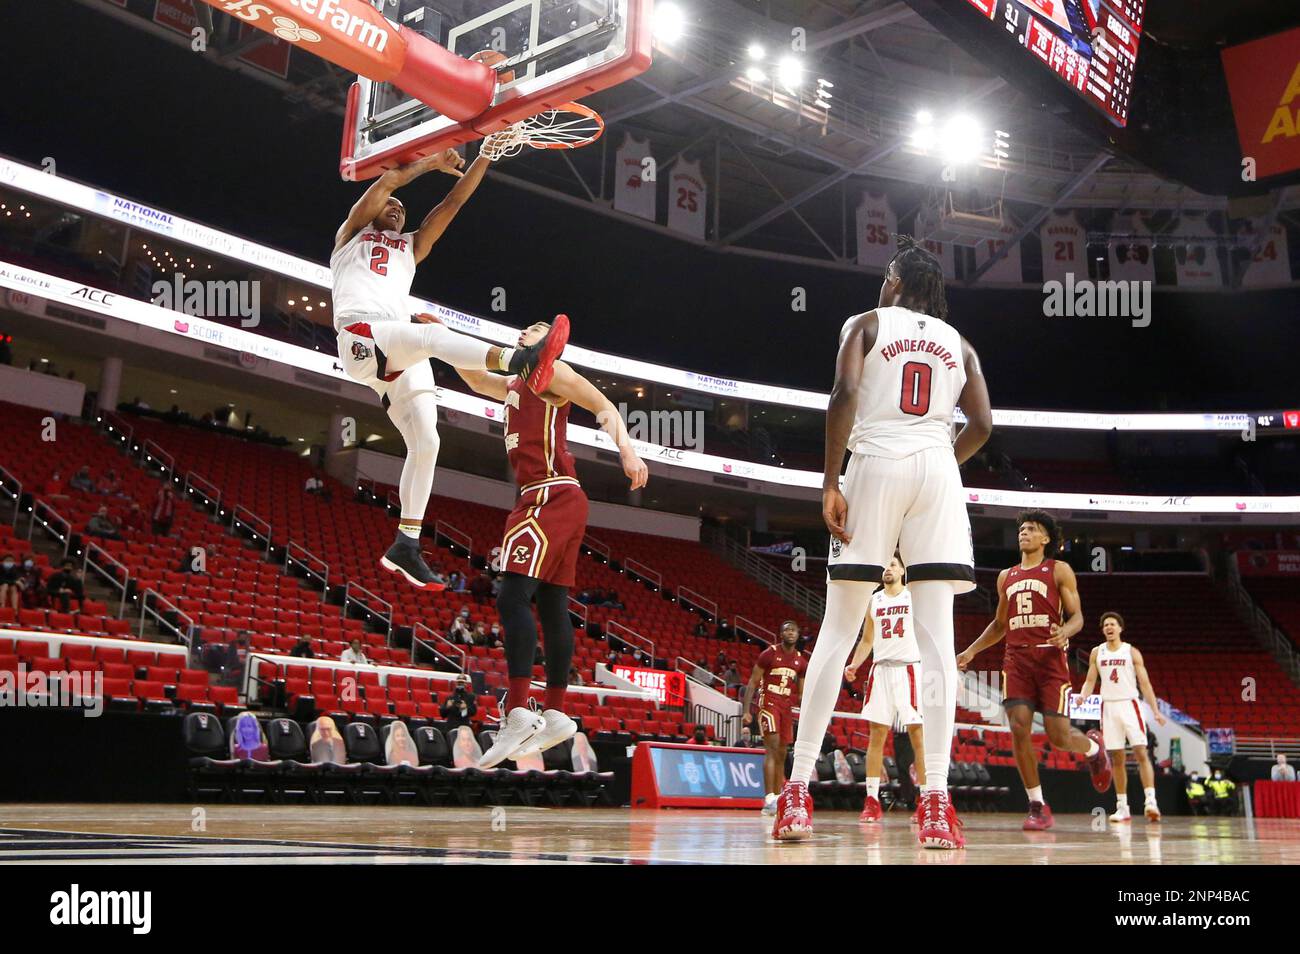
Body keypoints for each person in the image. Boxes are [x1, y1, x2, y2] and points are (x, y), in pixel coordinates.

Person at [774, 236, 992, 850]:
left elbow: (843, 396)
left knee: (839, 629)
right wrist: (941, 460)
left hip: (875, 461)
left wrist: (828, 480)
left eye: (884, 275)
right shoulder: (961, 344)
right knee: (938, 642)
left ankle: (796, 795)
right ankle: (936, 803)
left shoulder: (867, 323)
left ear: (896, 280)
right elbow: (983, 425)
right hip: (937, 472)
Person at [331, 144, 568, 592]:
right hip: (362, 336)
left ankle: (406, 542)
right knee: (430, 334)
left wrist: (485, 156)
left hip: (394, 344)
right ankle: (518, 360)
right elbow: (386, 182)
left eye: (403, 210)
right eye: (392, 208)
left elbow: (453, 203)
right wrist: (431, 165)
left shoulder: (412, 247)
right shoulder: (350, 236)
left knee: (428, 441)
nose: (397, 211)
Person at [455, 323, 648, 768]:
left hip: (549, 492)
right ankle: (557, 712)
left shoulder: (554, 372)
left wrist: (627, 451)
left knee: (511, 595)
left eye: (534, 329)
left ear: (546, 341)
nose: (524, 330)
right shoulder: (515, 380)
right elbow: (475, 376)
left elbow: (601, 405)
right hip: (555, 496)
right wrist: (437, 340)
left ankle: (520, 710)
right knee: (552, 604)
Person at [958, 511, 1111, 831]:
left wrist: (1066, 631)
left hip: (1051, 661)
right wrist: (972, 650)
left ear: (1045, 539)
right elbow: (1000, 624)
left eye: (1032, 529)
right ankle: (1037, 804)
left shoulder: (1059, 570)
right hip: (1016, 661)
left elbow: (1077, 617)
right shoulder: (1006, 576)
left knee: (1058, 737)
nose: (1024, 533)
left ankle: (1095, 749)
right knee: (1019, 727)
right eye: (1022, 529)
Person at [843, 554, 926, 824]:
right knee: (876, 737)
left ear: (903, 569)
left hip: (908, 669)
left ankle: (925, 799)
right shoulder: (874, 600)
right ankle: (871, 800)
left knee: (917, 737)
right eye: (884, 565)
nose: (887, 569)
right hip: (881, 669)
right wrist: (854, 664)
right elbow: (867, 640)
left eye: (892, 564)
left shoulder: (914, 596)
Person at [1076, 611, 1167, 823]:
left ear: (1120, 628)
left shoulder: (1131, 652)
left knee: (1141, 752)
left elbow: (1145, 684)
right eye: (1105, 625)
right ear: (1103, 629)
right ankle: (1122, 806)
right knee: (1116, 758)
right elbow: (1090, 680)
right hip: (1108, 707)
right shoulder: (1097, 652)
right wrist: (1082, 696)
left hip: (1129, 704)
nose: (1109, 627)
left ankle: (1150, 802)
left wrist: (1155, 711)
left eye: (1112, 624)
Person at [742, 621, 807, 816]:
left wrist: (806, 713)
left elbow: (802, 693)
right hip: (768, 701)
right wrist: (747, 710)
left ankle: (778, 796)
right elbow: (753, 682)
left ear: (798, 634)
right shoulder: (769, 653)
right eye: (786, 629)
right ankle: (768, 796)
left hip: (786, 706)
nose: (790, 633)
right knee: (772, 747)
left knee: (782, 752)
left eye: (794, 630)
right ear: (780, 634)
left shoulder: (800, 661)